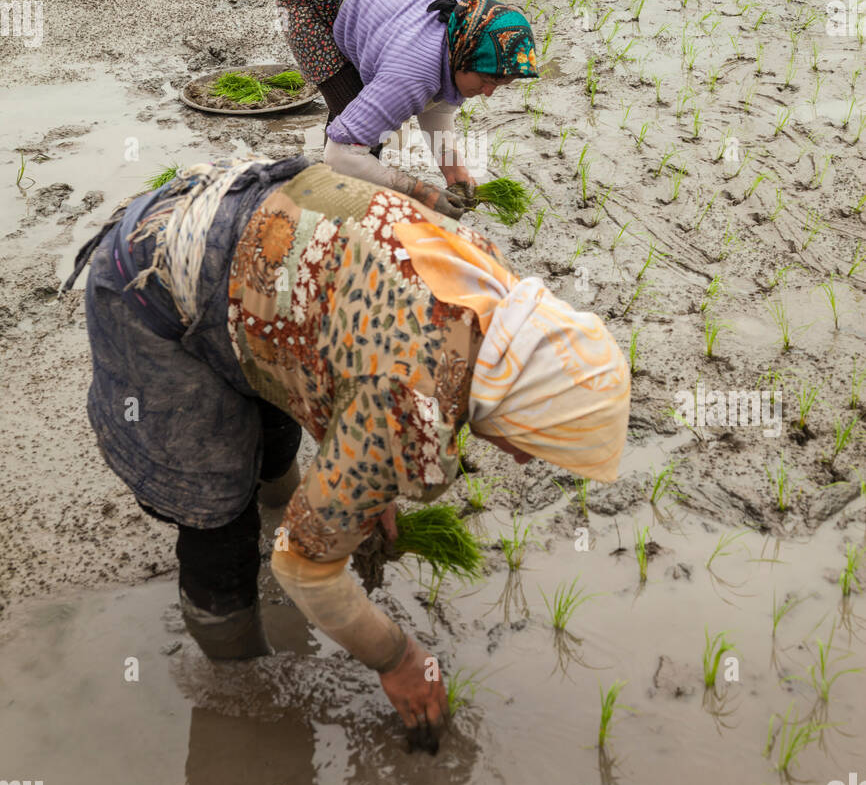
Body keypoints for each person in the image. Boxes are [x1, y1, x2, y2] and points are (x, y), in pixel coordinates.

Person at [66, 154, 631, 744]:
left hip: (248, 253)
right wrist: (397, 659)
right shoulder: (409, 398)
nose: (520, 459)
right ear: (522, 402)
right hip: (152, 282)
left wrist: (368, 486)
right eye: (534, 444)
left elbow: (349, 352)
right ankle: (236, 682)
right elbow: (304, 570)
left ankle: (280, 515)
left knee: (276, 440)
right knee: (216, 514)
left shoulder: (491, 297)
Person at [276, 0, 538, 216]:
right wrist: (420, 192)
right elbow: (341, 154)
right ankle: (334, 206)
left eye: (500, 85)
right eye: (488, 80)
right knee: (351, 111)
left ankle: (353, 197)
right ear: (462, 56)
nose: (488, 93)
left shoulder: (469, 27)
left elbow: (436, 108)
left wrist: (456, 175)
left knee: (368, 115)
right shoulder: (413, 70)